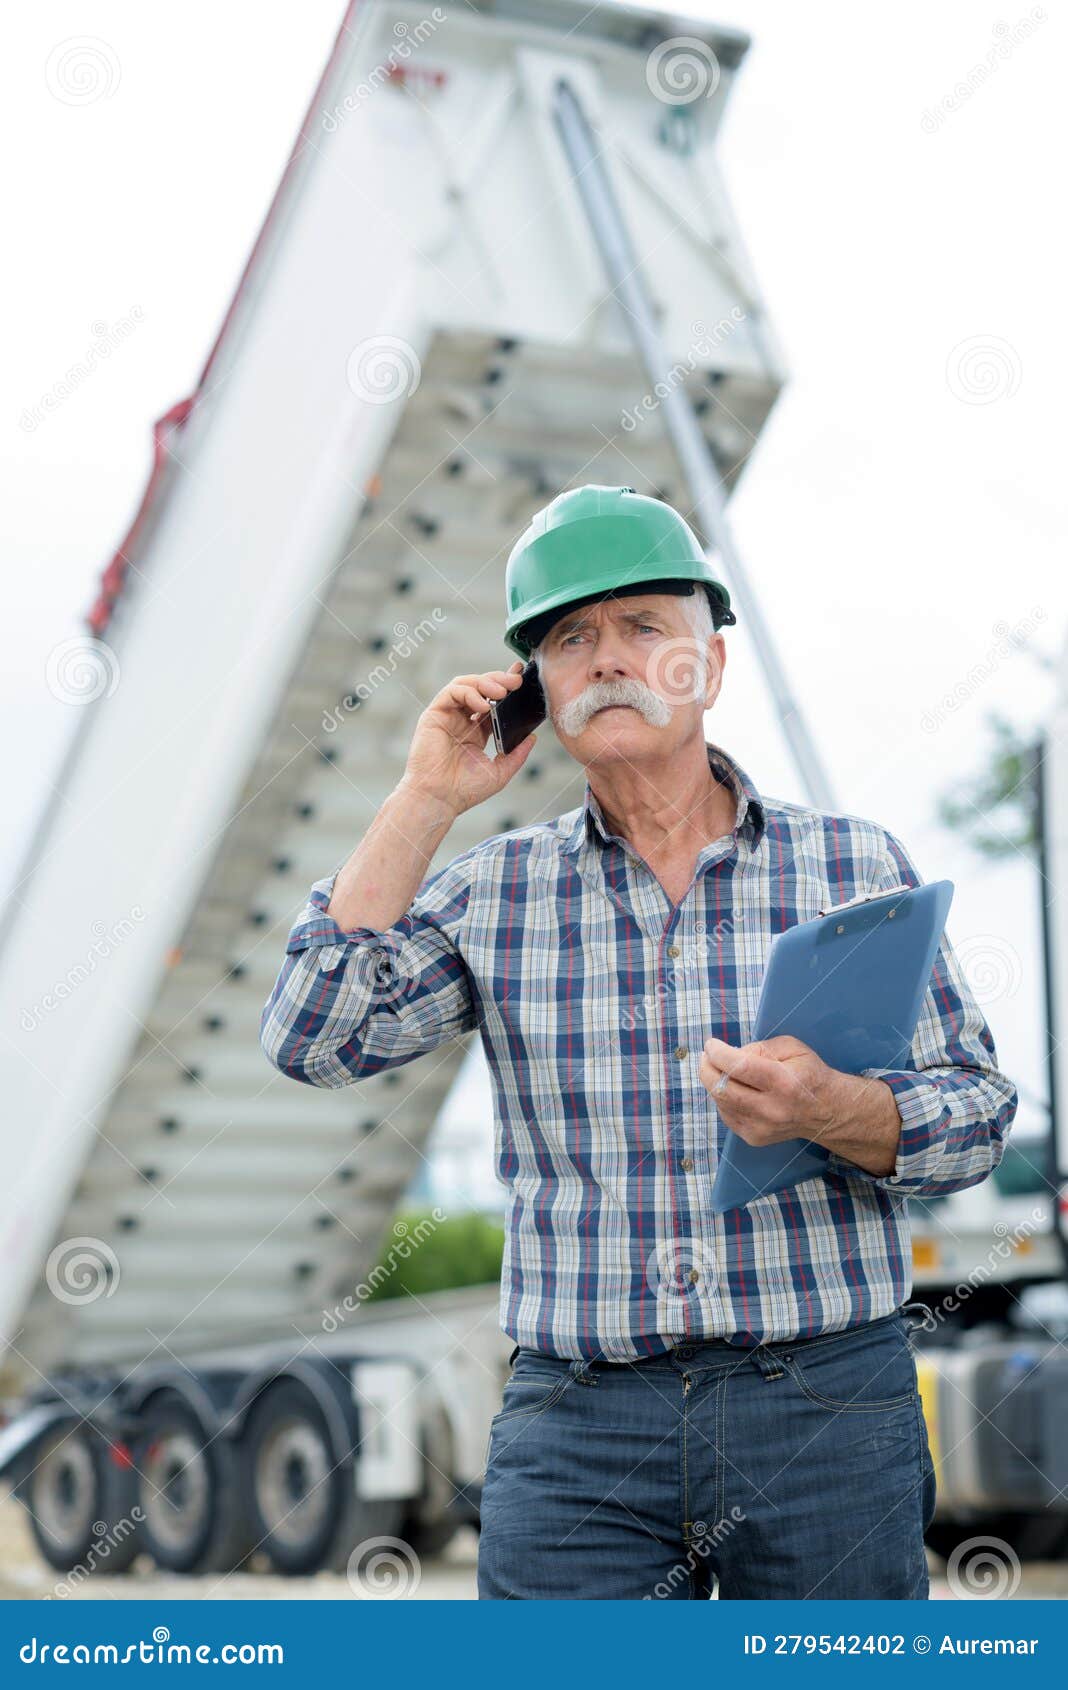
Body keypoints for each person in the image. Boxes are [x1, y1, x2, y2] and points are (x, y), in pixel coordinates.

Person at [260, 484, 1017, 1599]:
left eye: (643, 627)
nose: (607, 657)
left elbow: (978, 1117)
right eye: (571, 636)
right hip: (579, 1428)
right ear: (538, 691)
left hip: (823, 1405)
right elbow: (314, 1033)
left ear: (708, 668)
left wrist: (832, 1111)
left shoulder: (854, 868)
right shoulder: (494, 892)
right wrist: (427, 798)